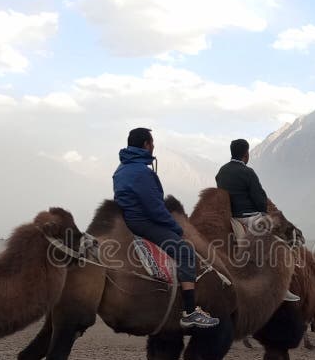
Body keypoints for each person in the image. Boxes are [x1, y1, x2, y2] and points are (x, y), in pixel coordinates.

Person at [114, 128, 219, 329]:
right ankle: (189, 312)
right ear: (146, 144)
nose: (153, 146)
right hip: (143, 222)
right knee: (185, 251)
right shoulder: (142, 172)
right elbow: (155, 208)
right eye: (152, 143)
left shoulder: (121, 169)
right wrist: (175, 228)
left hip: (130, 219)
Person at [215, 138, 299, 302]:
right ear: (246, 155)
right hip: (249, 218)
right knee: (279, 245)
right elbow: (260, 200)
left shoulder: (221, 172)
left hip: (231, 218)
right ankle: (281, 288)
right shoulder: (248, 172)